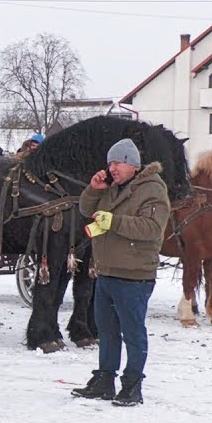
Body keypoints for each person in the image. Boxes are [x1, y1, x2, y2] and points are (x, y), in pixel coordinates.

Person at [71, 137, 170, 406]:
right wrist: (93, 189)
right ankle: (105, 379)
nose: (112, 168)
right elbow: (86, 209)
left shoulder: (152, 189)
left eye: (117, 163)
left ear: (132, 165)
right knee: (107, 331)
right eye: (110, 163)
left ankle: (132, 384)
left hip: (134, 275)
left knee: (132, 332)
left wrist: (114, 221)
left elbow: (151, 228)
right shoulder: (112, 189)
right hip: (106, 271)